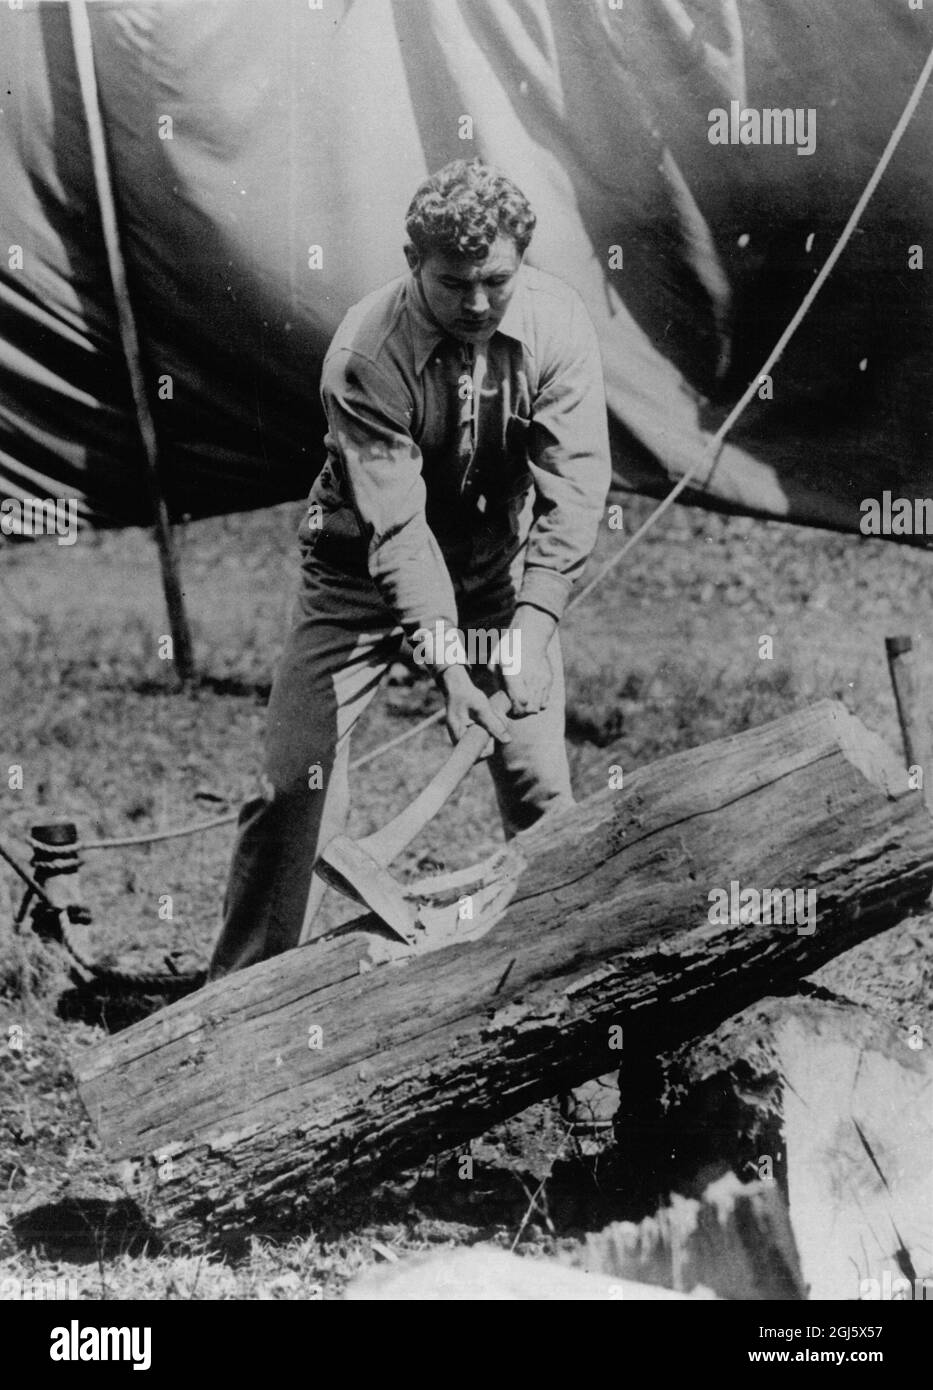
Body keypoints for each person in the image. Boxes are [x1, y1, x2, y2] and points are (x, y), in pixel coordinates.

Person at [209, 158, 611, 979]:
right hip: (357, 573)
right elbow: (396, 529)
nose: (476, 304)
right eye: (453, 283)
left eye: (495, 281)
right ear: (411, 262)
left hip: (495, 576)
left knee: (542, 792)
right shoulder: (364, 352)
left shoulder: (558, 325)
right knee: (293, 790)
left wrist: (532, 627)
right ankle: (239, 1001)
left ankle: (571, 973)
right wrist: (450, 670)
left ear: (521, 263)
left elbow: (573, 491)